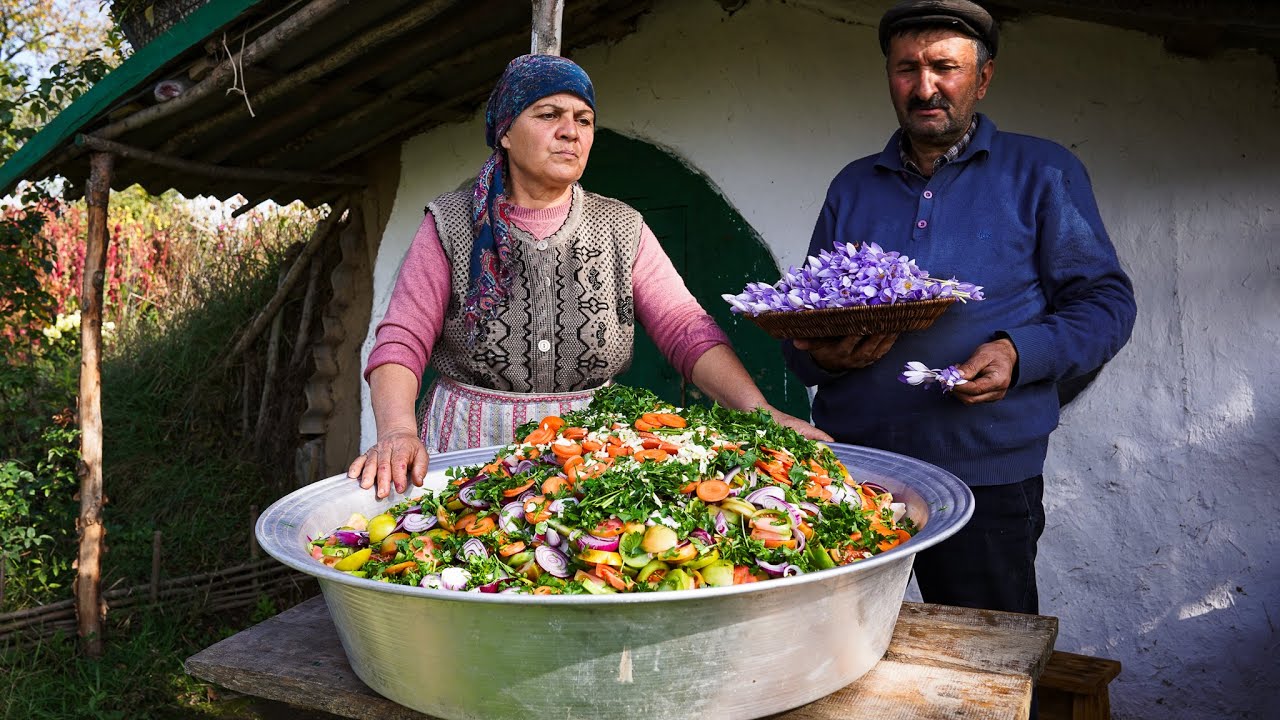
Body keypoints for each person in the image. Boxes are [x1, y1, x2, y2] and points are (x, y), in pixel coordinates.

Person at [783, 0, 1136, 617]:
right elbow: (804, 325)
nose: (925, 87)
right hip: (860, 471)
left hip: (988, 473)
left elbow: (1105, 303)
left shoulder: (1042, 171)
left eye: (944, 67)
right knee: (842, 649)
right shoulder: (853, 185)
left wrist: (1020, 353)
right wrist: (824, 355)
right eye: (906, 69)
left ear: (984, 76)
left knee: (988, 653)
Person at [350, 54, 830, 500]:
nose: (570, 132)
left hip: (589, 456)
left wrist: (760, 412)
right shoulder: (451, 223)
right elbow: (402, 339)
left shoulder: (620, 227)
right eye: (548, 115)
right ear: (505, 132)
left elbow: (684, 328)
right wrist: (396, 432)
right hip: (468, 448)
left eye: (583, 120)